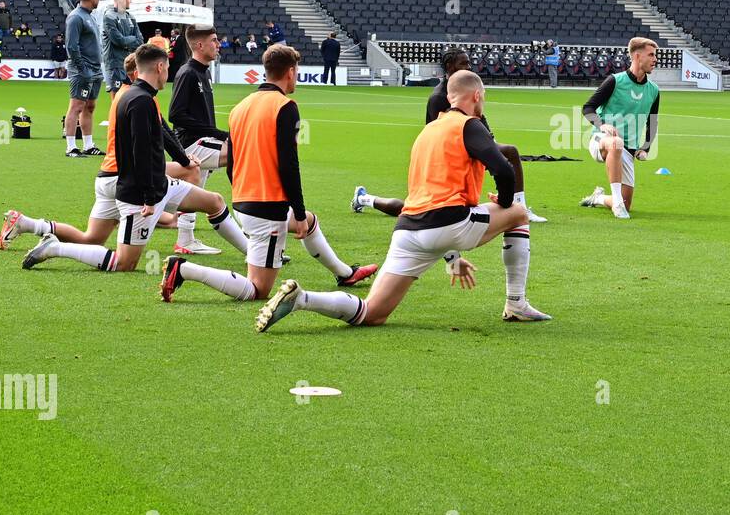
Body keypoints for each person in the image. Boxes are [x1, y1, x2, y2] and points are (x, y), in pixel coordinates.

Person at [257, 68, 549, 334]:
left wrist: (452, 255)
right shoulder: (470, 125)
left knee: (372, 313)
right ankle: (516, 304)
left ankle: (303, 299)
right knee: (519, 213)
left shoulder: (428, 131)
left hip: (409, 229)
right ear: (477, 95)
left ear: (448, 96)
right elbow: (503, 169)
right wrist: (507, 202)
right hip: (449, 222)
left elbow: (435, 196)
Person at [160, 45, 378, 304]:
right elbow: (289, 165)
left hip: (244, 202)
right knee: (257, 289)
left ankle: (345, 273)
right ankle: (183, 269)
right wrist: (296, 212)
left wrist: (249, 196)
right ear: (290, 71)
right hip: (267, 208)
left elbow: (232, 159)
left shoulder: (240, 107)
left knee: (309, 221)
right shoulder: (285, 107)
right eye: (296, 71)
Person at [21, 44, 248, 274]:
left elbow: (162, 135)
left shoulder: (136, 96)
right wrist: (150, 198)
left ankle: (251, 253)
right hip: (138, 191)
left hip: (146, 181)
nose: (168, 74)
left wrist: (183, 160)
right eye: (168, 68)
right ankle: (55, 248)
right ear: (160, 67)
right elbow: (140, 152)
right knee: (125, 263)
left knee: (215, 202)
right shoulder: (140, 101)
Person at [352, 47, 546, 222]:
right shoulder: (438, 97)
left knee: (510, 152)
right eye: (464, 63)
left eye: (469, 62)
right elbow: (434, 132)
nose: (469, 66)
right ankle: (364, 198)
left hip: (471, 145)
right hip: (448, 154)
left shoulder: (465, 88)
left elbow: (479, 121)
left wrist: (488, 142)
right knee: (416, 208)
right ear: (449, 65)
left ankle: (520, 206)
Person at [579, 37, 661, 220]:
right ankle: (617, 204)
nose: (655, 59)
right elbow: (587, 108)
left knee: (627, 204)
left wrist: (645, 147)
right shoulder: (615, 81)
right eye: (651, 55)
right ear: (637, 56)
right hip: (602, 142)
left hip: (628, 150)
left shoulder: (654, 90)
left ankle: (598, 199)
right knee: (616, 142)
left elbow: (652, 122)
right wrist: (602, 125)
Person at [169, 26, 233, 256]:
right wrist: (218, 133)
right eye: (214, 41)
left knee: (194, 193)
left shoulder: (204, 72)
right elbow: (175, 115)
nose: (218, 45)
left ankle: (185, 240)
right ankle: (251, 219)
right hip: (191, 142)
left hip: (204, 140)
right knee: (240, 152)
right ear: (199, 45)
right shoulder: (187, 73)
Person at [64, 0, 105, 157]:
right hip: (83, 69)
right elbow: (72, 46)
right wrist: (82, 68)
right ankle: (71, 147)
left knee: (90, 106)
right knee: (76, 106)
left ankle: (89, 145)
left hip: (95, 69)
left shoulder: (90, 16)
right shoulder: (75, 17)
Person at [99, 0, 143, 94]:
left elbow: (140, 40)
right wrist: (132, 39)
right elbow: (118, 40)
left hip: (130, 64)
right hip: (115, 64)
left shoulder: (130, 16)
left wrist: (126, 41)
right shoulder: (109, 16)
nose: (130, 0)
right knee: (117, 100)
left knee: (130, 98)